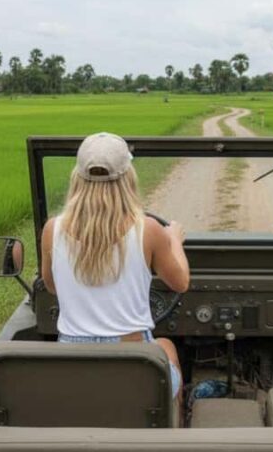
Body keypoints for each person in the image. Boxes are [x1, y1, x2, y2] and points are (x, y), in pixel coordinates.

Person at [40, 132, 190, 404]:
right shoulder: (150, 230)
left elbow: (51, 287)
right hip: (135, 365)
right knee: (167, 347)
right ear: (127, 178)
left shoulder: (52, 229)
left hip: (73, 366)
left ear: (78, 178)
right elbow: (181, 283)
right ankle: (170, 433)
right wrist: (174, 240)